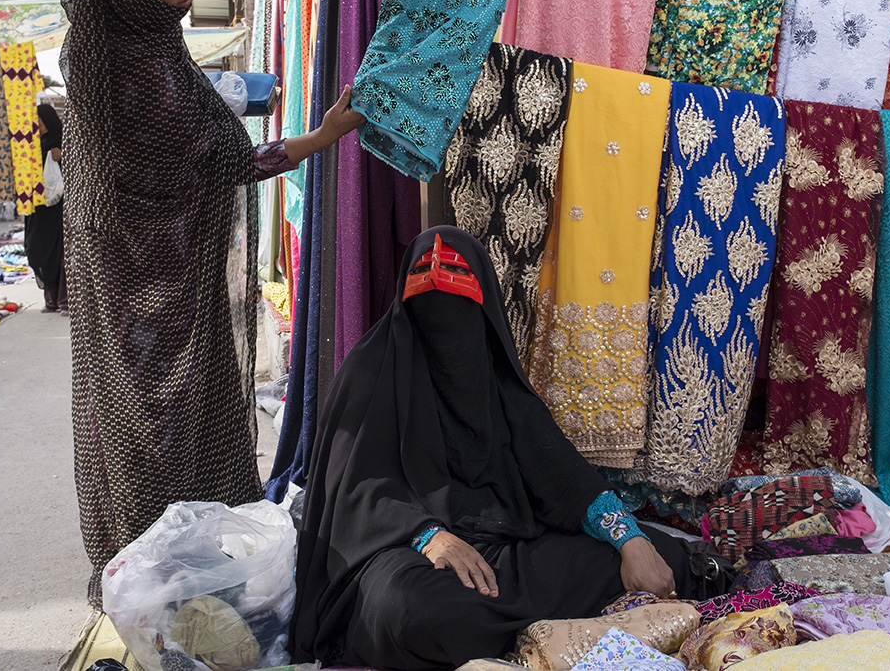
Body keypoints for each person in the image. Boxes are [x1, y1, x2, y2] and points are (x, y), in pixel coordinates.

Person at [60, 0, 364, 603]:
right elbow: (234, 160)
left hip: (129, 292)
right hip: (156, 301)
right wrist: (326, 134)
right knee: (166, 434)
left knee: (140, 433)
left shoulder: (108, 54)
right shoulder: (142, 72)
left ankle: (158, 576)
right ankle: (166, 584)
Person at [292, 226, 724, 670]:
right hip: (409, 556)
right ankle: (534, 629)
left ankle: (509, 636)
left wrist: (628, 536)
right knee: (405, 611)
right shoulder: (369, 373)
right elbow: (355, 490)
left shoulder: (498, 383)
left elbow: (563, 477)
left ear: (484, 311)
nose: (446, 332)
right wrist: (429, 536)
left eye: (458, 311)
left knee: (663, 555)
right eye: (430, 311)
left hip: (507, 556)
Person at [25, 103, 68, 313]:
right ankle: (50, 299)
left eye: (40, 120)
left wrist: (62, 158)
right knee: (36, 249)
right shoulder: (32, 146)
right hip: (38, 210)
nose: (37, 124)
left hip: (57, 209)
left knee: (59, 253)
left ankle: (62, 300)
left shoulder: (63, 144)